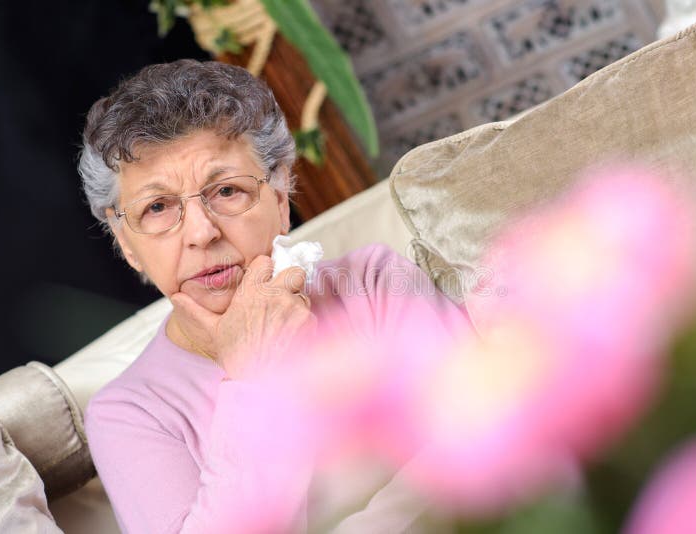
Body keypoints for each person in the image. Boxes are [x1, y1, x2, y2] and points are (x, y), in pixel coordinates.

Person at [81, 59, 468, 533]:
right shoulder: (129, 414)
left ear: (281, 198)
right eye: (158, 207)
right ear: (126, 243)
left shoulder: (374, 283)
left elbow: (482, 449)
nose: (202, 233)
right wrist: (252, 376)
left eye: (226, 190)